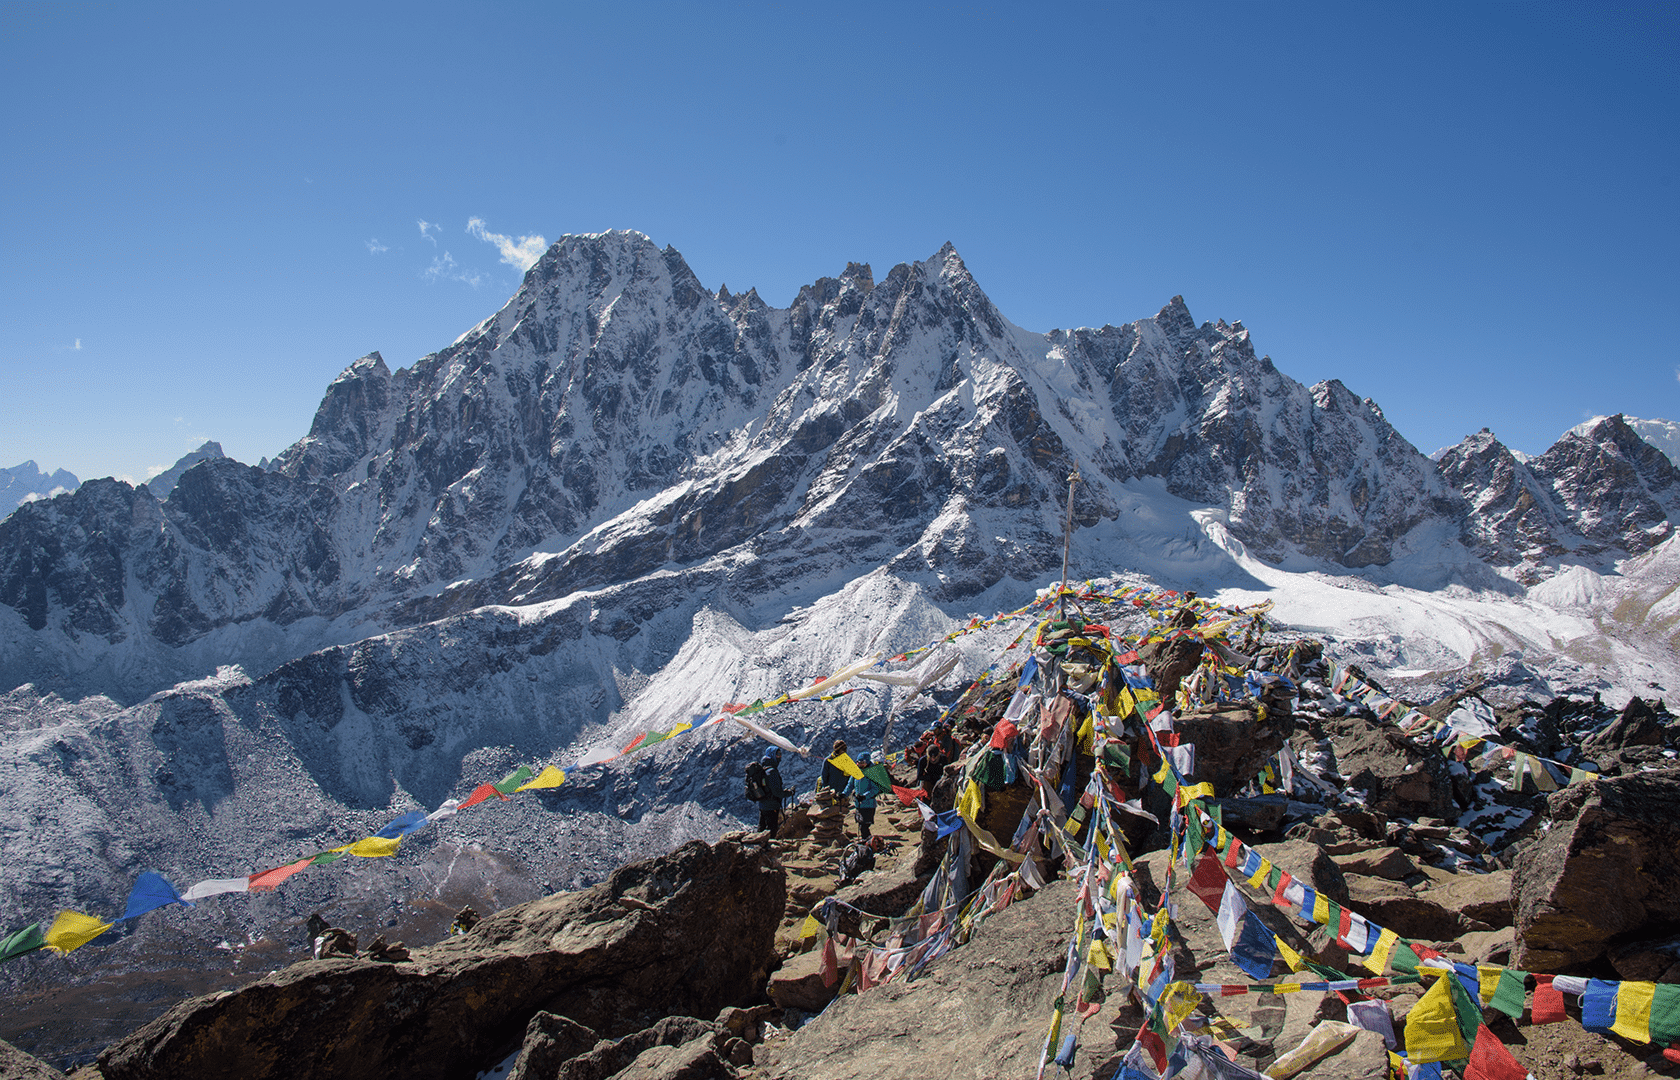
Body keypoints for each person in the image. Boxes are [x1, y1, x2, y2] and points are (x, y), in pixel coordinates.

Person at [757, 747, 790, 834]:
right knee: (771, 830)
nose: (780, 757)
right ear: (772, 755)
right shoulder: (772, 772)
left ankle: (757, 842)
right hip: (772, 806)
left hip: (762, 804)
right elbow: (777, 792)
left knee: (761, 829)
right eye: (778, 754)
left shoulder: (764, 769)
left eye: (780, 754)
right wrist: (788, 793)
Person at [849, 752, 879, 841]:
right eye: (859, 763)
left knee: (864, 826)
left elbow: (875, 789)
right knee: (861, 825)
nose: (861, 765)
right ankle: (867, 843)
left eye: (863, 763)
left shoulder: (872, 772)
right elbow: (850, 785)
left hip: (869, 805)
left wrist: (864, 796)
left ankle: (869, 843)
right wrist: (843, 794)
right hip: (859, 804)